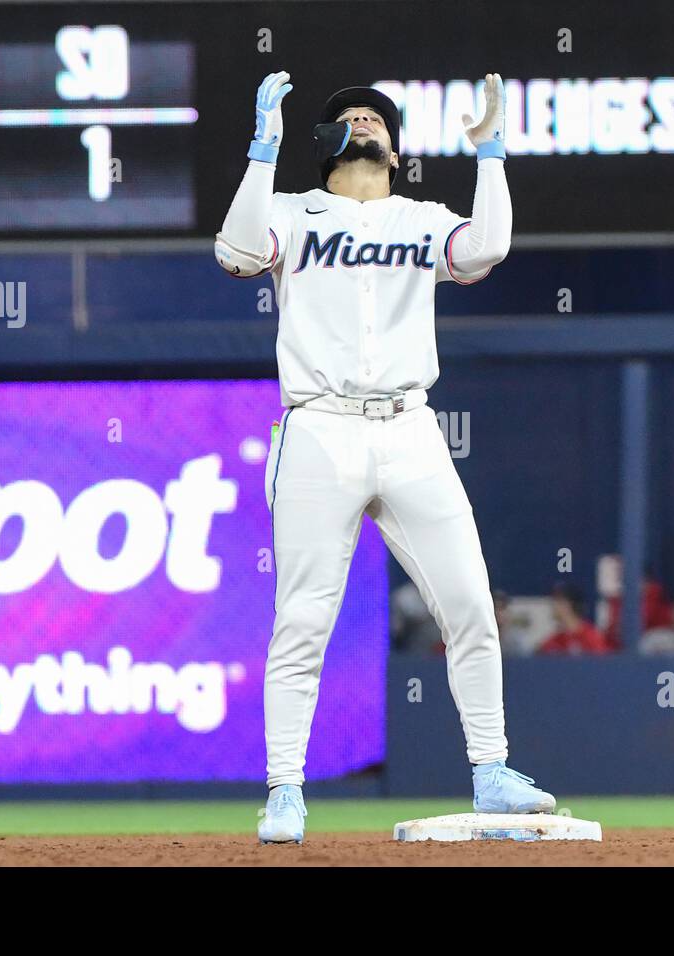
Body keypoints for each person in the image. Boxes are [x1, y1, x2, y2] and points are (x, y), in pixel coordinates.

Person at [216, 72, 555, 844]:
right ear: (325, 144)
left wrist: (491, 153)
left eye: (376, 118)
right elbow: (237, 250)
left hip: (409, 427)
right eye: (349, 116)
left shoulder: (422, 216)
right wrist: (261, 148)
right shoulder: (291, 213)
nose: (364, 121)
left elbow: (488, 246)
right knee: (302, 620)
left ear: (396, 150)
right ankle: (285, 789)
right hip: (319, 427)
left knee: (470, 602)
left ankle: (492, 771)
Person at [537, 583, 619, 655]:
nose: (553, 606)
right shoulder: (555, 641)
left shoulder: (592, 637)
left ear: (568, 605)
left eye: (558, 601)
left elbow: (602, 667)